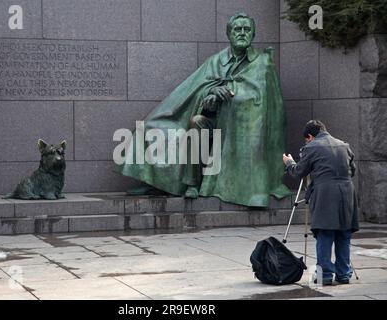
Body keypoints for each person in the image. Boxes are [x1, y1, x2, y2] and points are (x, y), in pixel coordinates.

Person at [116, 12, 291, 207]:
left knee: (198, 124)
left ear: (253, 34)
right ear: (229, 34)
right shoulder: (216, 61)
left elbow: (263, 100)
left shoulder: (262, 62)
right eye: (237, 29)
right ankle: (175, 183)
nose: (242, 33)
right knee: (165, 126)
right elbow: (196, 88)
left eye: (246, 29)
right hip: (213, 120)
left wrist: (232, 91)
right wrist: (210, 94)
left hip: (241, 127)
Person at [283, 120, 359, 285]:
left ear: (310, 136)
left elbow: (298, 172)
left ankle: (324, 275)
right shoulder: (343, 145)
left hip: (325, 194)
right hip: (347, 194)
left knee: (325, 233)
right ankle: (344, 274)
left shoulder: (311, 147)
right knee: (343, 234)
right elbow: (352, 171)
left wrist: (289, 163)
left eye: (306, 139)